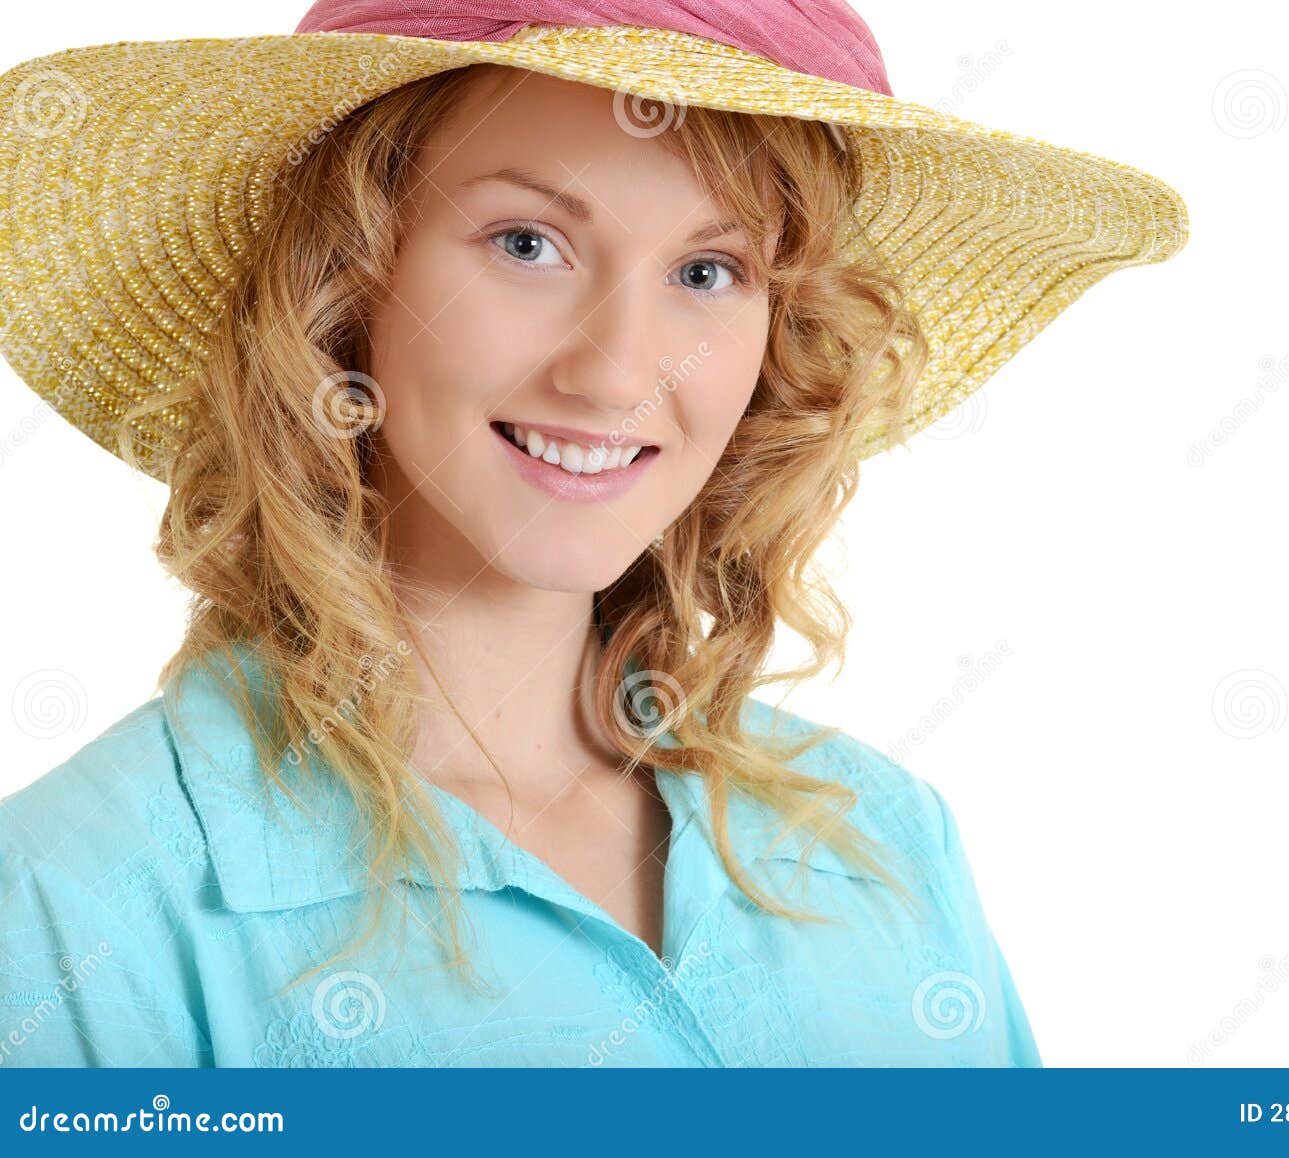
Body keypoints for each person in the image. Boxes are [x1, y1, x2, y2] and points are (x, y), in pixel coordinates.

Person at [0, 0, 1186, 1067]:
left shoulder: (875, 838)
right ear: (347, 282)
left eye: (709, 270)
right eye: (527, 243)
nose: (617, 373)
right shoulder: (78, 898)